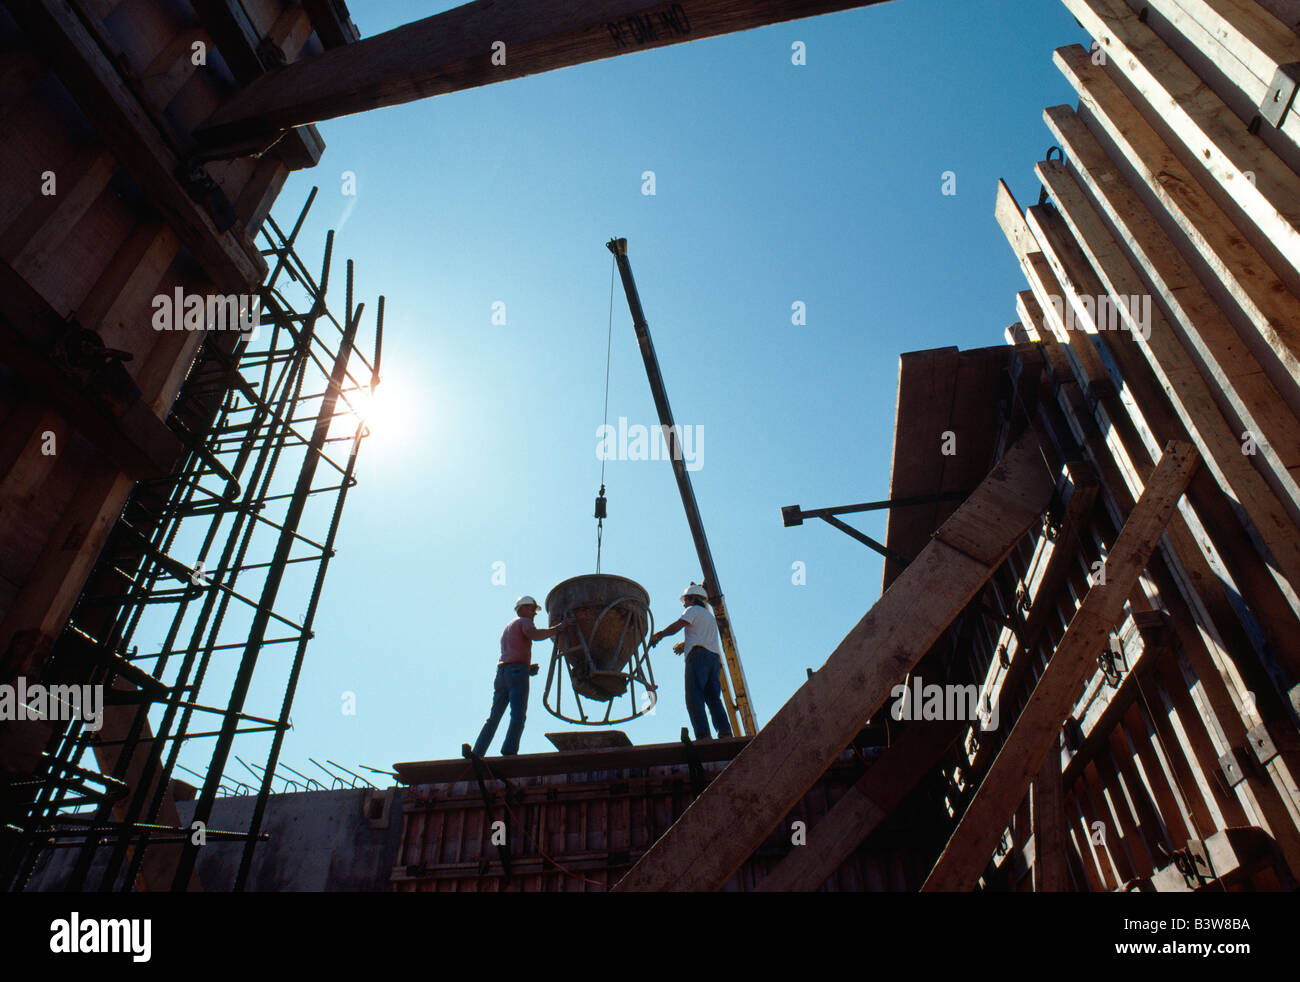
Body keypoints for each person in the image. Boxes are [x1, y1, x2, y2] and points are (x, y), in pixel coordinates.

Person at [469, 596, 564, 757]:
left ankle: (478, 752)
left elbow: (512, 653)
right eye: (533, 609)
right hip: (516, 672)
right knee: (518, 715)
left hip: (502, 673)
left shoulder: (509, 626)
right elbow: (533, 634)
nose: (534, 613)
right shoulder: (524, 622)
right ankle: (509, 750)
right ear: (524, 608)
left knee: (494, 717)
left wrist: (527, 669)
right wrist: (558, 629)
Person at [649, 582, 733, 740]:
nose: (684, 604)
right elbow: (703, 636)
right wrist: (686, 644)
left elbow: (679, 625)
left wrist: (659, 635)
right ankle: (725, 732)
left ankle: (703, 735)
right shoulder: (709, 617)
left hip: (698, 657)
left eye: (685, 600)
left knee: (694, 697)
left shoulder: (692, 610)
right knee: (713, 698)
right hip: (714, 660)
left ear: (693, 599)